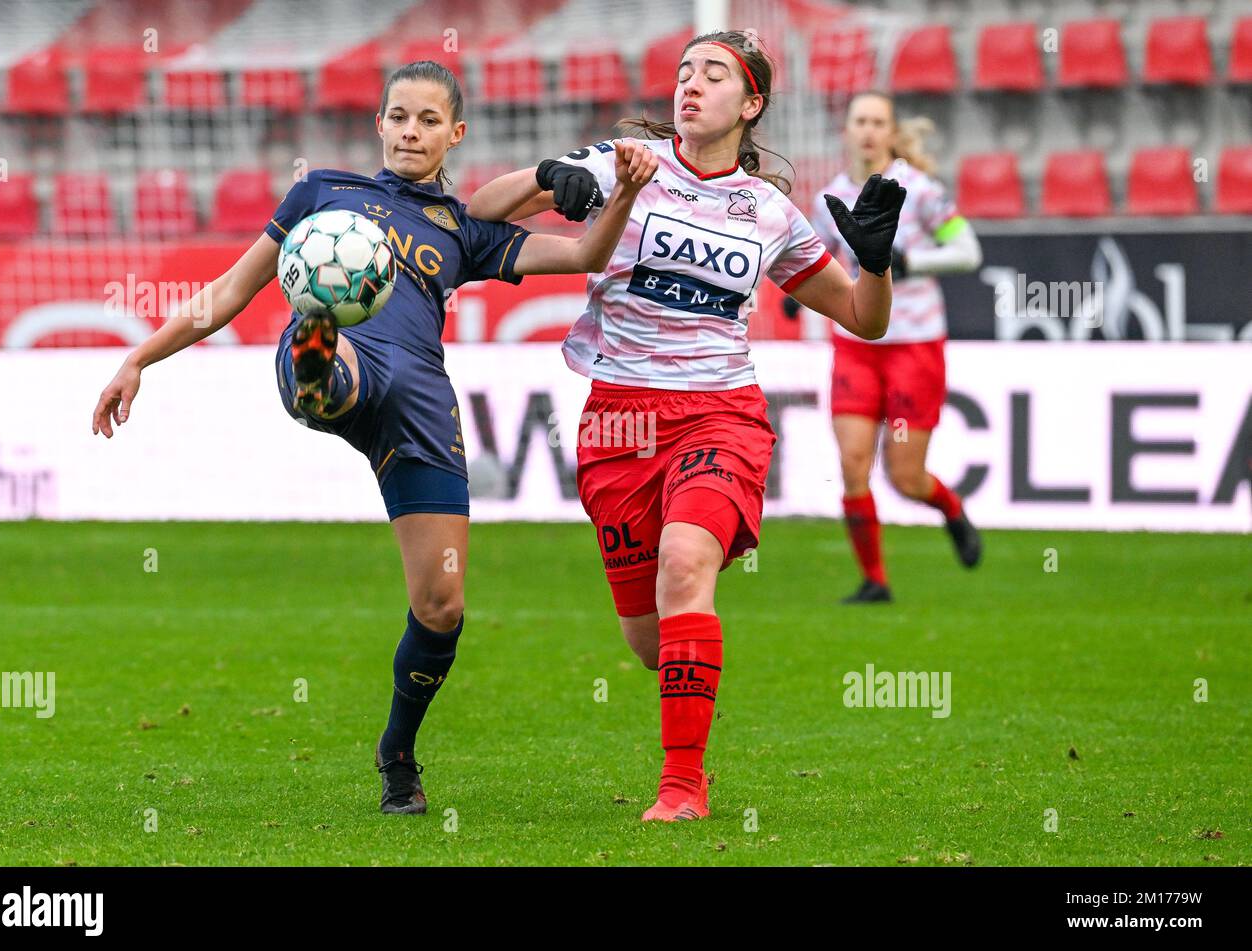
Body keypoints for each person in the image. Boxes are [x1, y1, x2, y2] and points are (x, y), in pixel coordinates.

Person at [91, 60, 657, 816]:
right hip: (339, 362)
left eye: (428, 120)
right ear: (380, 124)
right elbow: (229, 291)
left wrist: (619, 194)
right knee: (330, 356)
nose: (410, 131)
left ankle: (397, 754)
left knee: (443, 603)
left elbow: (585, 255)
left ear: (454, 134)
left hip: (419, 403)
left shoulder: (464, 231)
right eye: (398, 116)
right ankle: (318, 356)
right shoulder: (322, 193)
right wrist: (139, 358)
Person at [468, 32, 903, 821]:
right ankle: (684, 684)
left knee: (684, 563)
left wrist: (875, 263)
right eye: (682, 72)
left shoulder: (769, 211)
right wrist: (545, 177)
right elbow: (480, 213)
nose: (690, 86)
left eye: (713, 74)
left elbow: (862, 319)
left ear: (752, 103)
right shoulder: (626, 162)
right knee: (648, 641)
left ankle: (683, 787)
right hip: (618, 425)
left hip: (720, 414)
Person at [794, 91, 983, 604]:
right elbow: (822, 258)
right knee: (854, 463)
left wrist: (910, 260)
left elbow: (969, 251)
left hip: (914, 345)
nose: (869, 130)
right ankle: (875, 580)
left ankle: (949, 508)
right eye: (860, 120)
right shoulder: (829, 198)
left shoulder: (920, 190)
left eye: (879, 121)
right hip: (856, 344)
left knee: (905, 477)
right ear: (848, 131)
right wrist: (796, 298)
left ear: (891, 131)